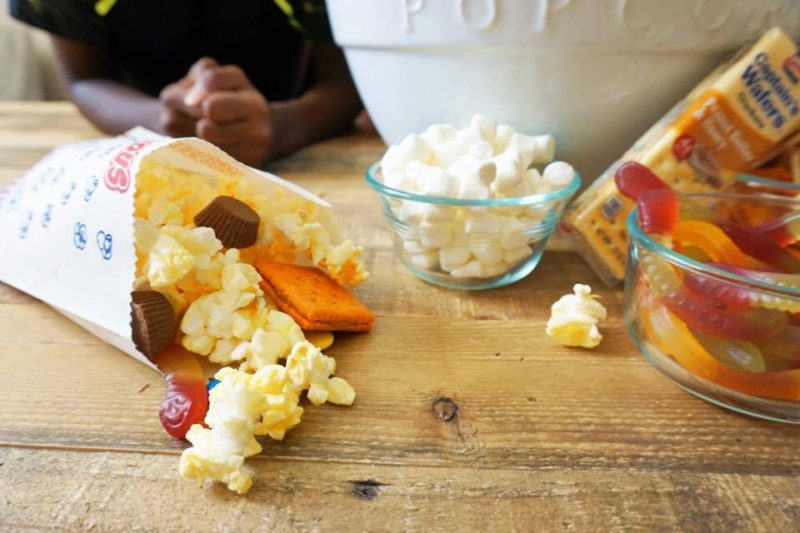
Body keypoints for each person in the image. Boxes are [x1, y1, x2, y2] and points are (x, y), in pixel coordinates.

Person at [9, 0, 365, 167]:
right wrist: (160, 120)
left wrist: (280, 127)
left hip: (301, 145)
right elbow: (86, 79)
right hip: (139, 151)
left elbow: (347, 83)